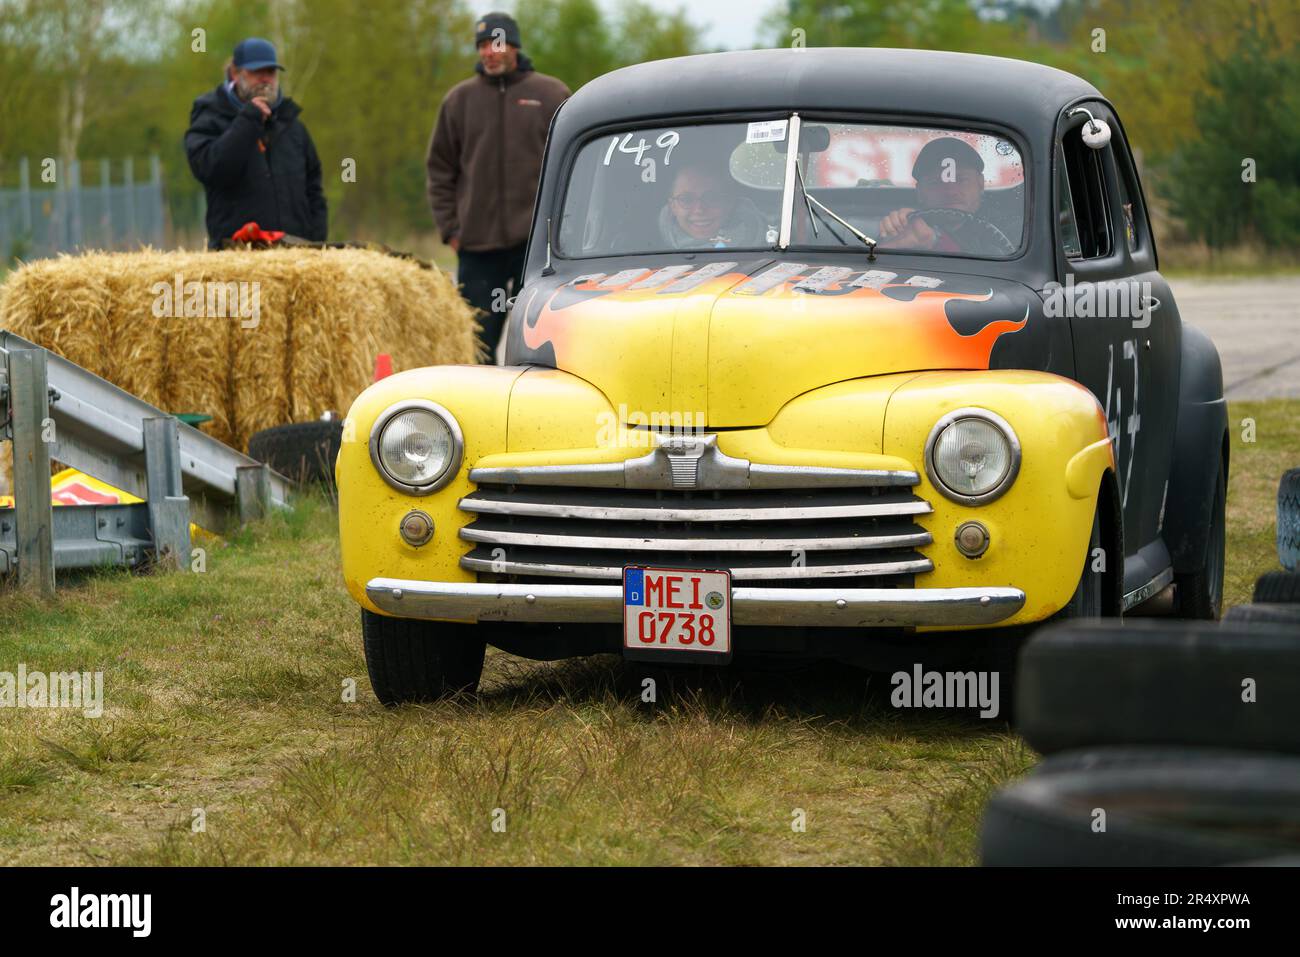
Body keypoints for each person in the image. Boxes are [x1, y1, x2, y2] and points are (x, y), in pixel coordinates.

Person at [426, 12, 570, 360]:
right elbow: (440, 169)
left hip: (536, 248)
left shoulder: (552, 94)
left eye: (497, 43)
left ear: (515, 47)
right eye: (482, 46)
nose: (489, 52)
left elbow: (572, 166)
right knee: (477, 345)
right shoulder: (459, 101)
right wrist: (452, 230)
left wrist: (564, 228)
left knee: (539, 340)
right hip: (478, 248)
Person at [184, 38, 327, 249]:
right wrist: (248, 119)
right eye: (256, 72)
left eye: (271, 72)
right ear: (235, 73)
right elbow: (210, 169)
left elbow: (314, 191)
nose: (265, 79)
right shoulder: (211, 116)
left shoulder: (293, 126)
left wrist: (316, 245)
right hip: (238, 256)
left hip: (298, 259)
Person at [878, 137, 987, 252]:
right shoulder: (907, 227)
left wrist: (935, 242)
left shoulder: (1003, 226)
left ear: (980, 184)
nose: (951, 192)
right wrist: (896, 240)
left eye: (962, 180)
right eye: (936, 183)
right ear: (919, 192)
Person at [658, 164, 768, 250]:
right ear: (672, 207)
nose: (699, 209)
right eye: (686, 199)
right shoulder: (650, 252)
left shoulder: (770, 245)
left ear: (729, 203)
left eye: (711, 198)